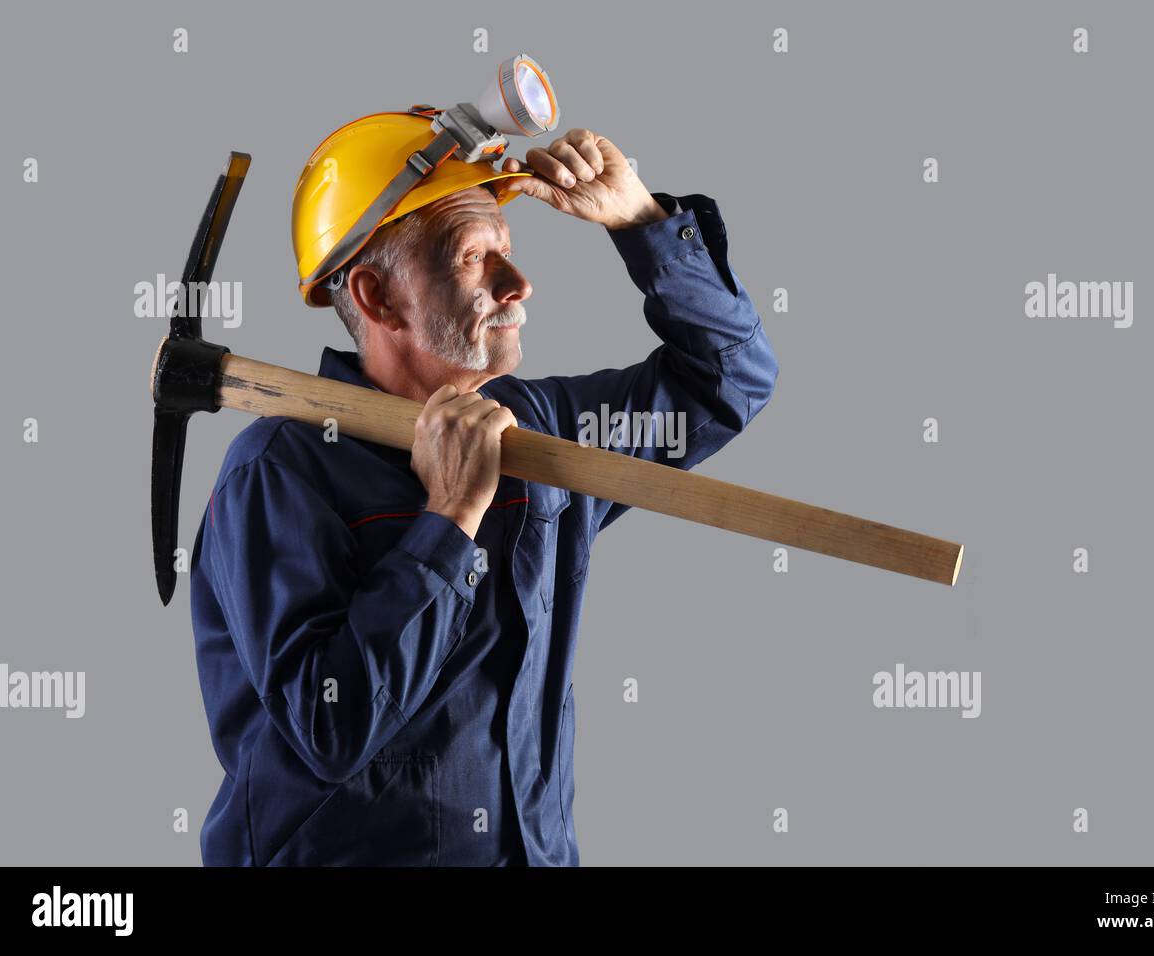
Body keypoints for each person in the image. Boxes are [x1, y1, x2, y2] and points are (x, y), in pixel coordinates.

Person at [189, 121, 778, 865]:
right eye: (474, 258)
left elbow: (730, 382)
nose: (517, 283)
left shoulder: (544, 433)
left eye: (507, 249)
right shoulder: (276, 475)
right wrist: (450, 519)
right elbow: (330, 727)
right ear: (378, 298)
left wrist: (645, 225)